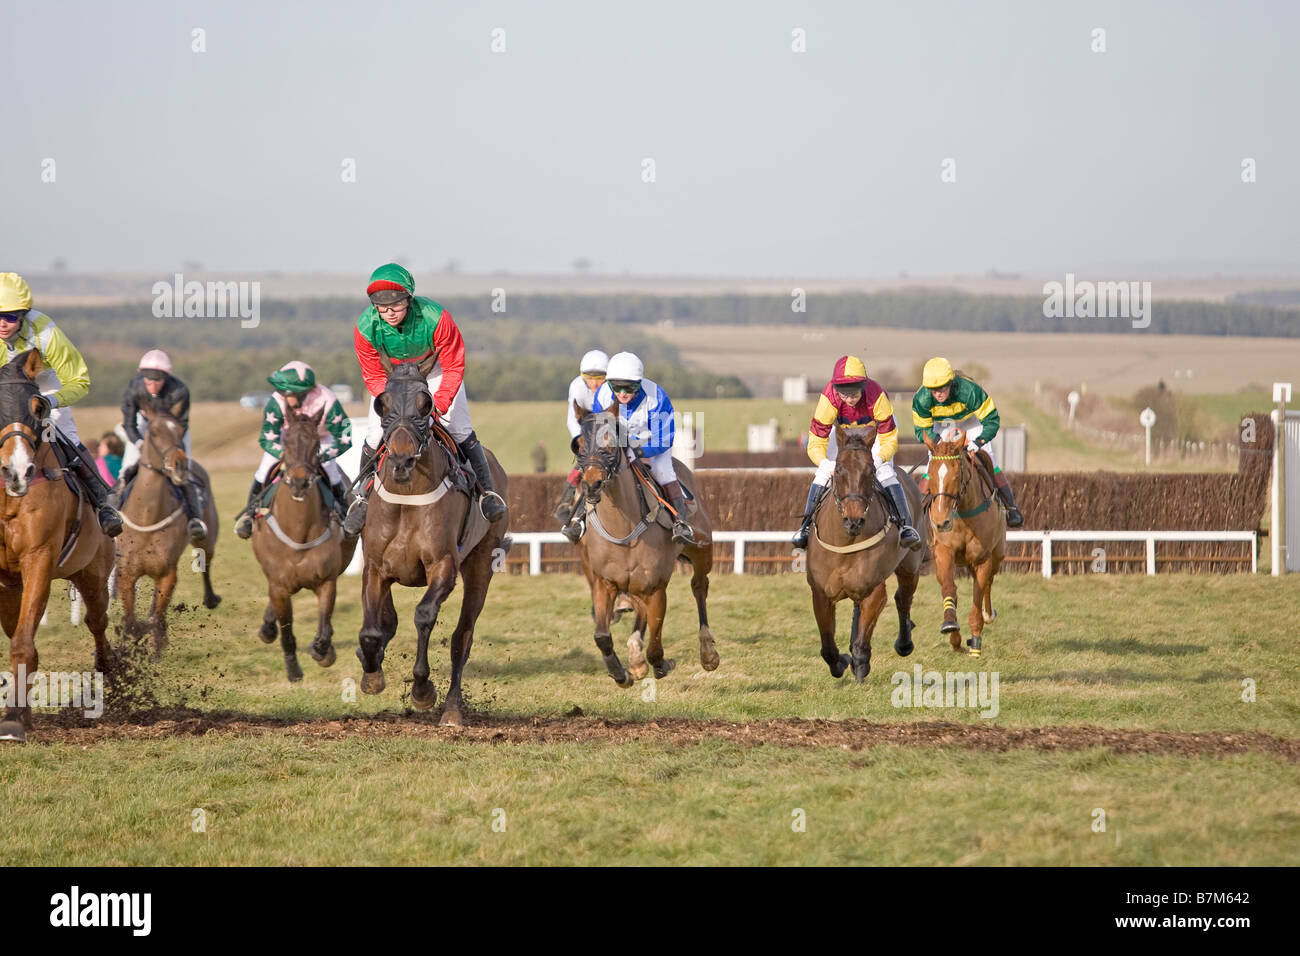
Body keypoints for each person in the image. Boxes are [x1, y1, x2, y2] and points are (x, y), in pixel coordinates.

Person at [343, 263, 506, 538]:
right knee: (374, 435)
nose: (388, 312)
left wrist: (439, 404)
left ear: (409, 298)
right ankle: (361, 499)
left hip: (436, 371)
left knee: (459, 429)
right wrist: (389, 407)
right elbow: (372, 373)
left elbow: (454, 365)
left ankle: (487, 494)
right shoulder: (365, 327)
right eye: (381, 307)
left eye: (395, 304)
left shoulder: (435, 317)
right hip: (391, 379)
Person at [0, 272, 122, 536]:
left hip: (44, 382)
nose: (2, 324)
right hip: (6, 386)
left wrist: (51, 400)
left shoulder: (46, 333)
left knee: (61, 430)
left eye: (10, 317)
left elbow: (80, 381)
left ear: (23, 315)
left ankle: (104, 504)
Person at [793, 355, 921, 552]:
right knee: (822, 473)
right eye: (844, 395)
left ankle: (905, 526)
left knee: (885, 472)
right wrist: (826, 464)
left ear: (863, 385)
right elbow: (816, 441)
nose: (850, 399)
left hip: (874, 430)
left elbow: (889, 439)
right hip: (843, 430)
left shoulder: (877, 396)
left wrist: (878, 460)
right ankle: (805, 527)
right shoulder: (829, 398)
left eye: (854, 394)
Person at [572, 351, 693, 546]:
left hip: (651, 446)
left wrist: (639, 452)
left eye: (629, 388)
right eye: (617, 387)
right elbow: (598, 429)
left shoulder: (657, 397)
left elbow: (664, 437)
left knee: (663, 471)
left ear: (640, 383)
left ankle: (680, 522)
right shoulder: (603, 394)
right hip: (618, 445)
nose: (622, 394)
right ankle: (579, 519)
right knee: (593, 471)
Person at [233, 361, 353, 539]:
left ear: (301, 393)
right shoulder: (277, 401)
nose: (281, 395)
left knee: (331, 470)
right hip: (288, 441)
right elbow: (267, 438)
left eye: (286, 392)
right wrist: (284, 455)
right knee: (264, 469)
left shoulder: (327, 399)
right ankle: (250, 517)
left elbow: (345, 437)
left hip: (320, 440)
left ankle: (344, 516)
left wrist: (321, 456)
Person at [911, 356, 1022, 527]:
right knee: (934, 464)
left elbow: (991, 420)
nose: (938, 393)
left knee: (989, 459)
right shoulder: (922, 398)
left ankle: (1011, 507)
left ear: (951, 383)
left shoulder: (969, 391)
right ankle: (916, 516)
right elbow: (921, 430)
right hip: (942, 426)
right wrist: (938, 443)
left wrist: (978, 442)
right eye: (933, 390)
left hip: (971, 423)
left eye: (942, 388)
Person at [114, 349, 208, 544]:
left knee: (184, 470)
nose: (153, 386)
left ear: (166, 377)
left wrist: (171, 450)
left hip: (173, 431)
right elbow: (129, 423)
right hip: (143, 427)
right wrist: (140, 444)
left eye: (157, 381)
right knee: (125, 470)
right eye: (148, 382)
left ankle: (194, 520)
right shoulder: (134, 388)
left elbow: (181, 426)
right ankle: (112, 515)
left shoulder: (180, 391)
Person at [554, 349, 608, 530]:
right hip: (585, 426)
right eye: (589, 378)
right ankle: (566, 500)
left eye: (600, 378)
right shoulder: (577, 387)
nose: (594, 383)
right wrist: (581, 440)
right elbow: (572, 418)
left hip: (607, 427)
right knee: (585, 460)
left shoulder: (612, 389)